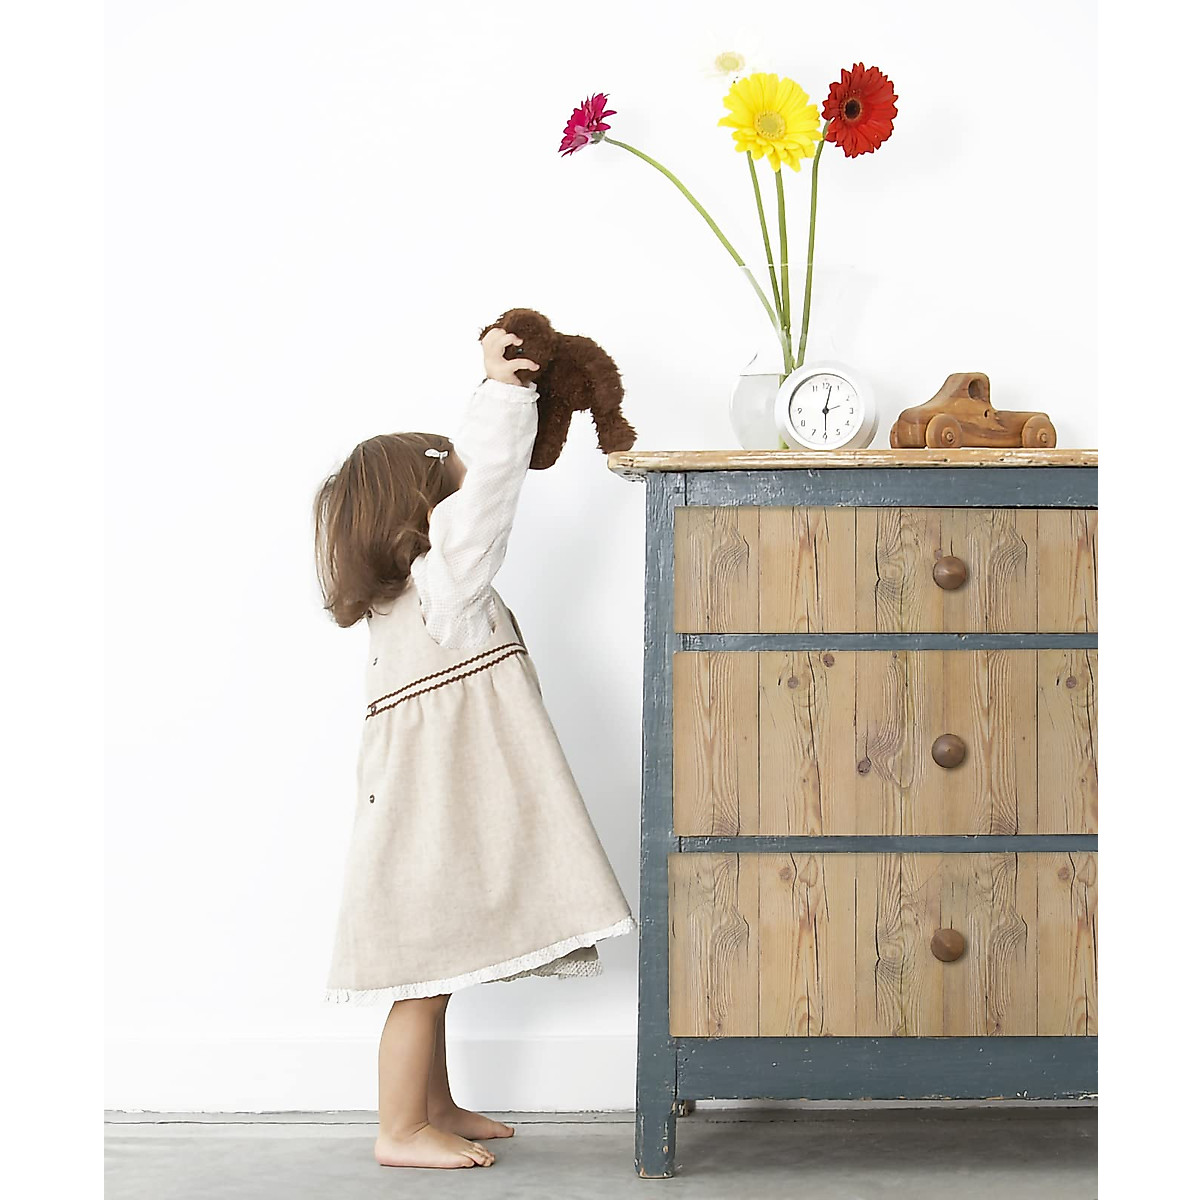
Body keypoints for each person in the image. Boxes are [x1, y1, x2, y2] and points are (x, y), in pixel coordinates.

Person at [312, 327, 634, 1169]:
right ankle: (399, 1129)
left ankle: (434, 1106)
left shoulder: (408, 600)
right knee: (419, 982)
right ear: (423, 511)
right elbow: (488, 485)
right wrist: (502, 392)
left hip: (424, 811)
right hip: (429, 816)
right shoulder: (444, 585)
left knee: (437, 969)